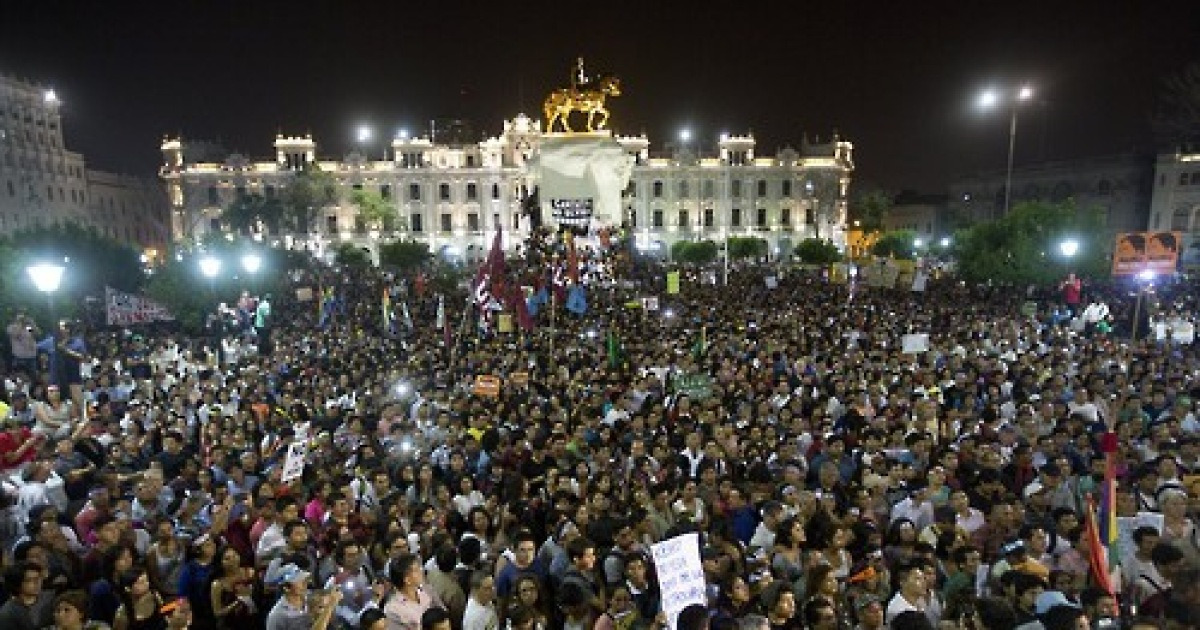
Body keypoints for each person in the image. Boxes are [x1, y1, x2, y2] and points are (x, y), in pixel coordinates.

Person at [265, 562, 339, 630]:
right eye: (298, 581)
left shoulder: (310, 597)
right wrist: (330, 606)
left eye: (303, 579)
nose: (305, 583)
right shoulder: (277, 616)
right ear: (286, 588)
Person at [0, 560, 56, 629]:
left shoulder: (49, 599)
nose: (37, 583)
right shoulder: (8, 613)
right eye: (29, 580)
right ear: (17, 584)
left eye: (38, 578)